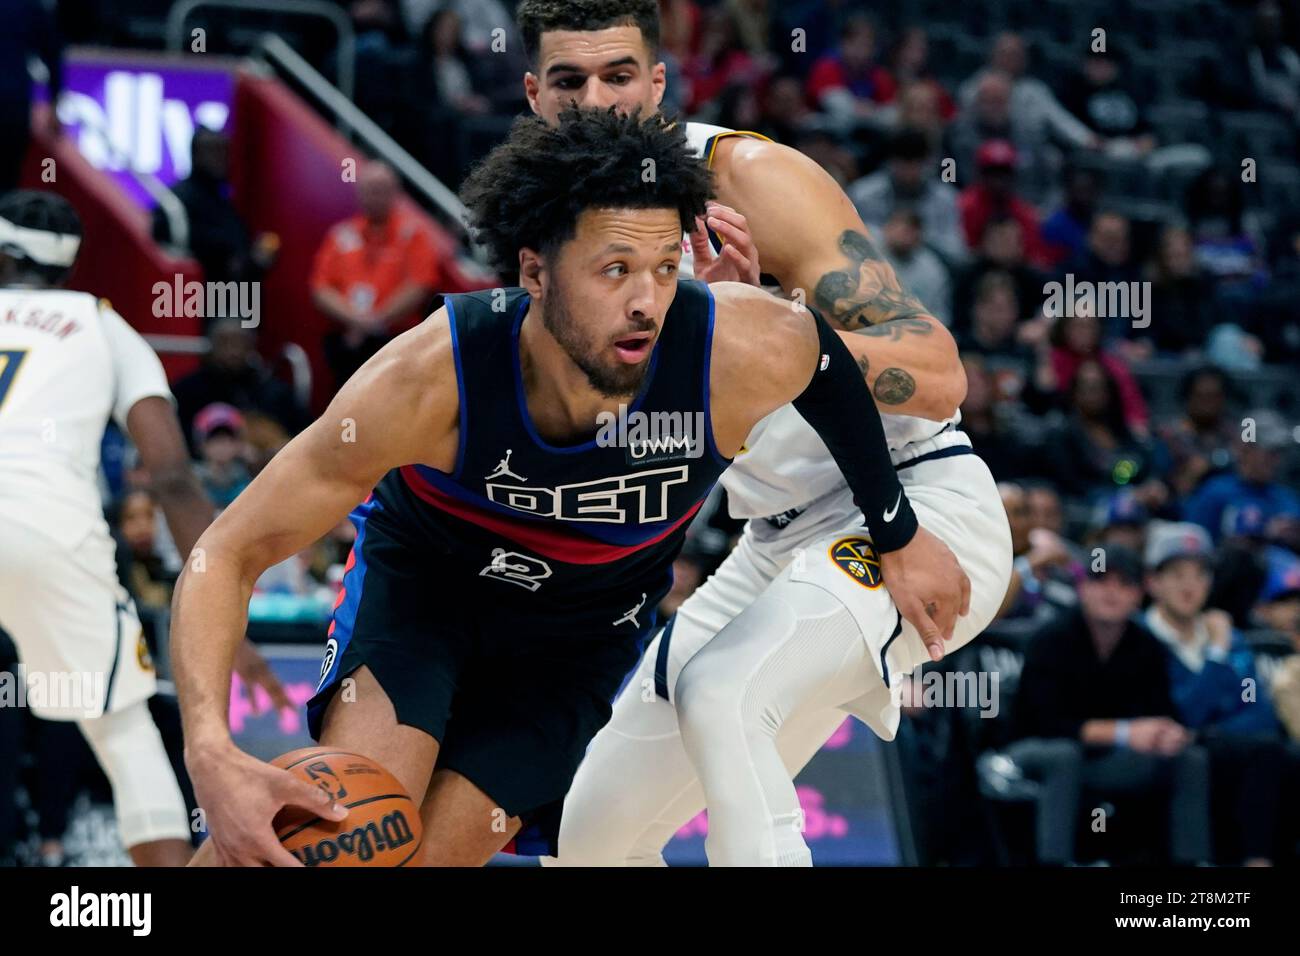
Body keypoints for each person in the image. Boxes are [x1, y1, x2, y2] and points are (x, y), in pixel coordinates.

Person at [173, 108, 971, 867]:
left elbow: (825, 362)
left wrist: (896, 532)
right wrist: (209, 749)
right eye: (614, 269)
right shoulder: (430, 378)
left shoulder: (728, 340)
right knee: (345, 837)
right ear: (536, 272)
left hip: (576, 644)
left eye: (664, 269)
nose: (645, 301)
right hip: (428, 602)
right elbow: (228, 550)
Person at [513, 0, 1011, 867]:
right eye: (569, 80)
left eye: (618, 76)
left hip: (914, 504)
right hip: (768, 541)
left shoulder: (746, 177)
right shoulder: (551, 235)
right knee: (596, 832)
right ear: (534, 96)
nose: (594, 100)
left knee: (723, 691)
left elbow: (937, 371)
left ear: (657, 83)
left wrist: (761, 325)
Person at [0, 190, 285, 867]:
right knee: (123, 733)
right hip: (43, 524)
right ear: (68, 268)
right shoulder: (102, 325)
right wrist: (228, 608)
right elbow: (172, 477)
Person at [1005, 546, 1211, 866]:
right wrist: (1125, 732)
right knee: (1063, 755)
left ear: (1139, 594)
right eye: (1101, 581)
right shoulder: (1051, 639)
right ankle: (1054, 861)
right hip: (1033, 752)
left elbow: (1165, 711)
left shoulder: (1146, 645)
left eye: (1124, 584)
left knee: (1189, 758)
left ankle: (1191, 861)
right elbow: (1042, 723)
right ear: (1083, 588)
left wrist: (1166, 734)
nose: (1112, 592)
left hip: (1104, 759)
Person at [1142, 522, 1282, 865]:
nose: (1189, 586)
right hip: (1166, 757)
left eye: (1199, 575)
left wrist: (1209, 732)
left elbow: (1259, 712)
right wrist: (1216, 657)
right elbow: (1182, 712)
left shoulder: (1228, 636)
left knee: (1275, 752)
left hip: (1229, 752)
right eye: (1176, 575)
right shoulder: (1141, 638)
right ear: (1153, 583)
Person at [310, 161, 442, 389]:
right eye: (370, 189)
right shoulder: (342, 234)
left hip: (395, 340)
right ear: (359, 193)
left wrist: (375, 321)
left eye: (382, 189)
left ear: (395, 193)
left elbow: (420, 284)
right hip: (347, 340)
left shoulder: (412, 235)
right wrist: (356, 320)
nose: (375, 196)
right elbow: (320, 288)